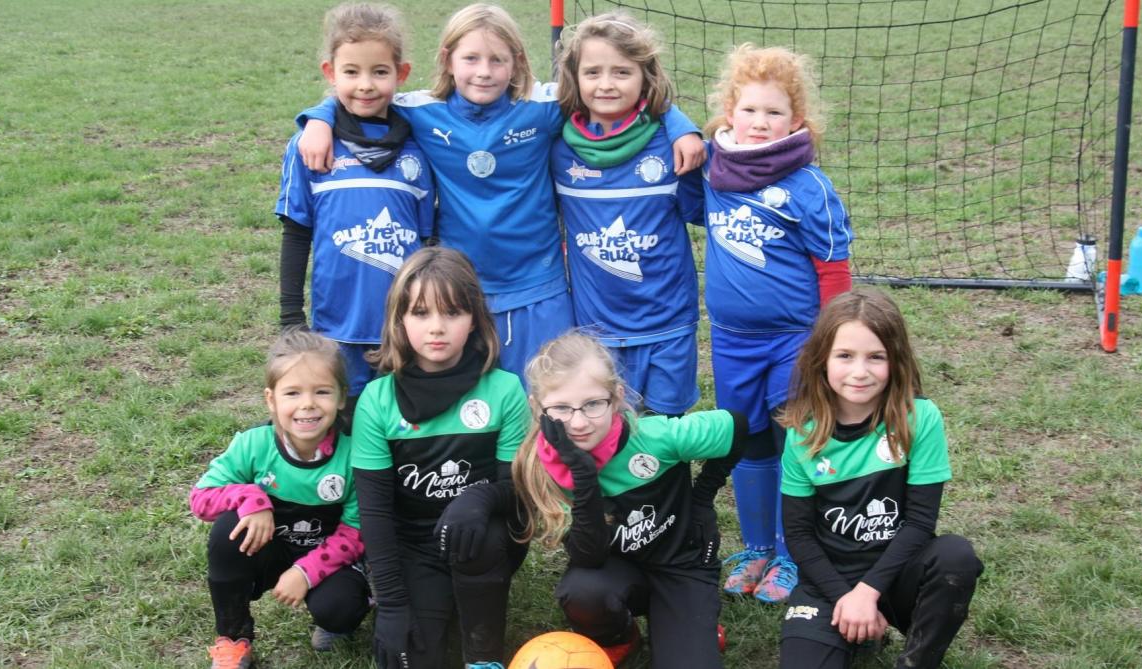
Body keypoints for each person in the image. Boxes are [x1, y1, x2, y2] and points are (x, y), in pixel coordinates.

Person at [292, 3, 707, 378]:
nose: (484, 72)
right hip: (460, 293)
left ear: (517, 62)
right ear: (447, 60)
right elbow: (362, 97)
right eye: (471, 58)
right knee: (474, 409)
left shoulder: (546, 107)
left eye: (497, 60)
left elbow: (619, 95)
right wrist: (319, 118)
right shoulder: (419, 111)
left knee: (549, 397)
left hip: (540, 289)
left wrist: (678, 123)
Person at [702, 45, 854, 603]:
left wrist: (831, 339)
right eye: (749, 110)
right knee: (746, 440)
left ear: (796, 121)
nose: (760, 122)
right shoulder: (713, 171)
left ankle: (795, 555)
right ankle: (757, 548)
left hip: (795, 341)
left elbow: (834, 269)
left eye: (774, 112)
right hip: (731, 342)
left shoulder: (808, 186)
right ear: (729, 113)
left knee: (797, 440)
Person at [512, 333, 748, 668]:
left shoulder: (656, 438)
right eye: (561, 408)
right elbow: (588, 557)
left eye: (593, 404)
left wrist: (702, 499)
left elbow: (736, 427)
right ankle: (621, 636)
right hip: (614, 570)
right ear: (539, 409)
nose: (578, 422)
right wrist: (583, 477)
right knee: (582, 592)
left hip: (681, 566)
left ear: (617, 397)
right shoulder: (545, 466)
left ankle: (690, 626)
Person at [777, 288, 983, 668]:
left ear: (896, 360)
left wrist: (868, 591)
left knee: (955, 557)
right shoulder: (802, 431)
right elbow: (799, 535)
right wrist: (846, 598)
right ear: (821, 359)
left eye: (876, 357)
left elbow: (920, 522)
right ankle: (853, 628)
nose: (860, 371)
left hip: (898, 570)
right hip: (830, 580)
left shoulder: (918, 418)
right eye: (845, 356)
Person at [351, 246, 530, 669]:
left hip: (484, 538)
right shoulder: (376, 401)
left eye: (452, 312)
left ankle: (484, 655)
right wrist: (392, 604)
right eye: (420, 313)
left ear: (475, 319)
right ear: (400, 319)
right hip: (413, 546)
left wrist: (478, 499)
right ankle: (433, 599)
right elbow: (375, 513)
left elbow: (520, 494)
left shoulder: (505, 390)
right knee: (416, 655)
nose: (437, 327)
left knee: (479, 533)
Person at [275, 2, 434, 414]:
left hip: (403, 332)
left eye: (379, 72)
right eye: (351, 72)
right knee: (340, 425)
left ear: (401, 73)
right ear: (330, 73)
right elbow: (296, 233)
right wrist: (291, 318)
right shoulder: (311, 146)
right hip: (336, 332)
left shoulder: (420, 148)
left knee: (398, 426)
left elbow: (428, 243)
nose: (365, 85)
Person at [550, 13, 704, 417]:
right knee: (607, 431)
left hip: (668, 325)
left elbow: (704, 212)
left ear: (645, 77)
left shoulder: (671, 145)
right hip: (597, 332)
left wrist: (679, 123)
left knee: (665, 434)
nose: (606, 84)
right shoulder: (557, 148)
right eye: (593, 72)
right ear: (574, 77)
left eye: (622, 71)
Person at [190, 330, 371, 669]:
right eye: (293, 392)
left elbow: (357, 531)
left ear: (341, 397)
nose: (308, 404)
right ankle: (233, 638)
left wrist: (306, 572)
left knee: (340, 608)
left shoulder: (354, 453)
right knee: (228, 531)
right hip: (269, 548)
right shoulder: (252, 445)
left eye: (322, 391)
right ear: (271, 400)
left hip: (328, 553)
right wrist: (250, 496)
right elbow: (200, 499)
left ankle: (336, 618)